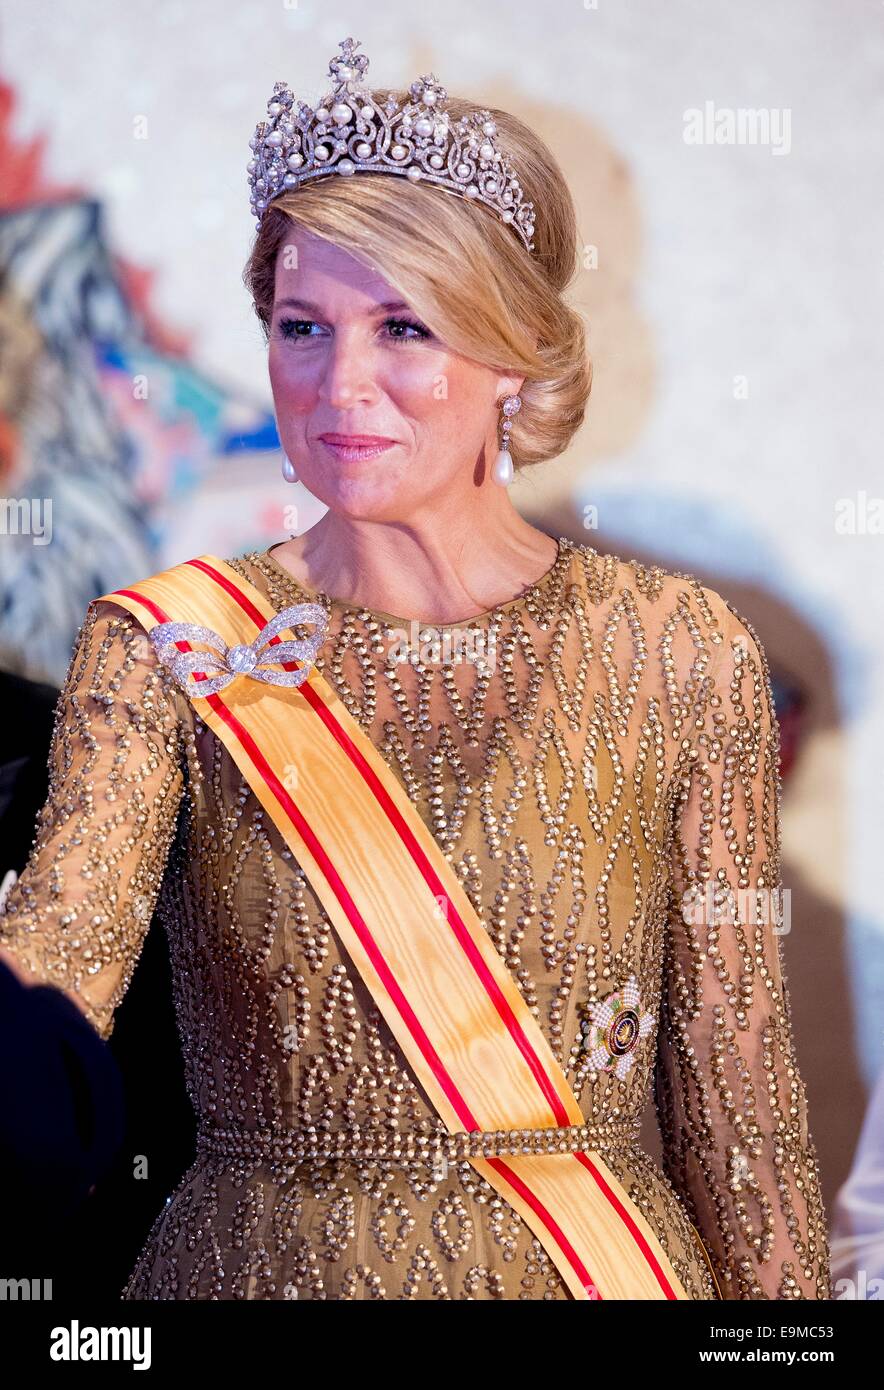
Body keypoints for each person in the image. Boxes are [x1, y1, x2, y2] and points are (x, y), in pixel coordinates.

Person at [0, 36, 832, 1301]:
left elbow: (739, 1105)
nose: (341, 386)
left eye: (404, 328)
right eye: (300, 325)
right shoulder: (167, 644)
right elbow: (52, 988)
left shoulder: (679, 650)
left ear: (512, 358)